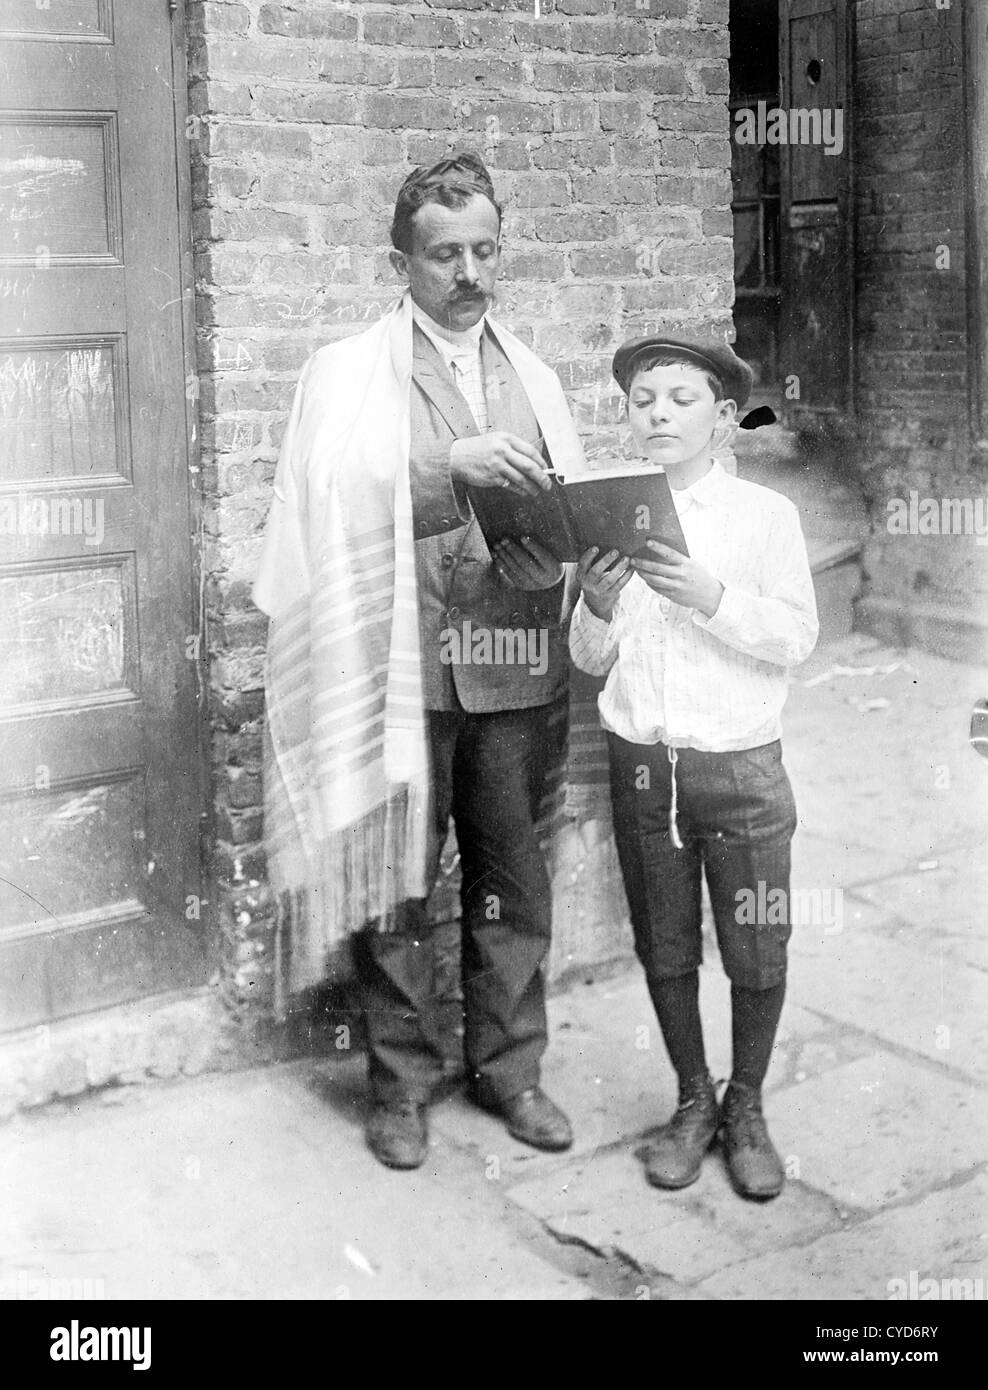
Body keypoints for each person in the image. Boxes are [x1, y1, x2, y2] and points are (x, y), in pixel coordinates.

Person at [253, 151, 585, 1171]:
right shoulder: (347, 373)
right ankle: (399, 1084)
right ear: (400, 260)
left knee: (512, 876)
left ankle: (510, 1069)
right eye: (444, 254)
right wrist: (448, 470)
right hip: (397, 672)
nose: (469, 271)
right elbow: (326, 498)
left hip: (516, 665)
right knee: (394, 878)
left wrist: (553, 548)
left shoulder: (531, 375)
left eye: (485, 249)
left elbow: (563, 505)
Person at [569, 336, 819, 1200]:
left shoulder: (763, 520)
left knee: (756, 943)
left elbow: (795, 636)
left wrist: (708, 598)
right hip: (644, 765)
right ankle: (692, 1099)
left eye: (682, 399)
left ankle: (746, 1105)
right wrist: (598, 604)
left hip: (741, 769)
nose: (660, 414)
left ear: (723, 420)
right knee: (664, 940)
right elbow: (592, 660)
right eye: (644, 400)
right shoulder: (610, 516)